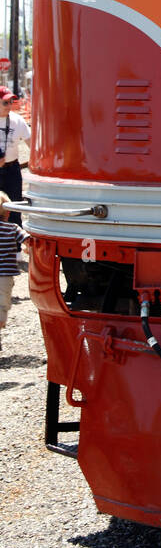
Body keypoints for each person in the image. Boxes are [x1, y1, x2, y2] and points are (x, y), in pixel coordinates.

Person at [0, 86, 31, 228]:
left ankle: (16, 246)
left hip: (12, 169)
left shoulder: (17, 120)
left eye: (11, 102)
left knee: (15, 209)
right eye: (5, 102)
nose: (9, 106)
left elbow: (32, 143)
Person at [0, 190, 25, 353]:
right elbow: (28, 238)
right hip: (5, 277)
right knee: (2, 307)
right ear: (8, 212)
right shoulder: (12, 228)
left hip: (5, 276)